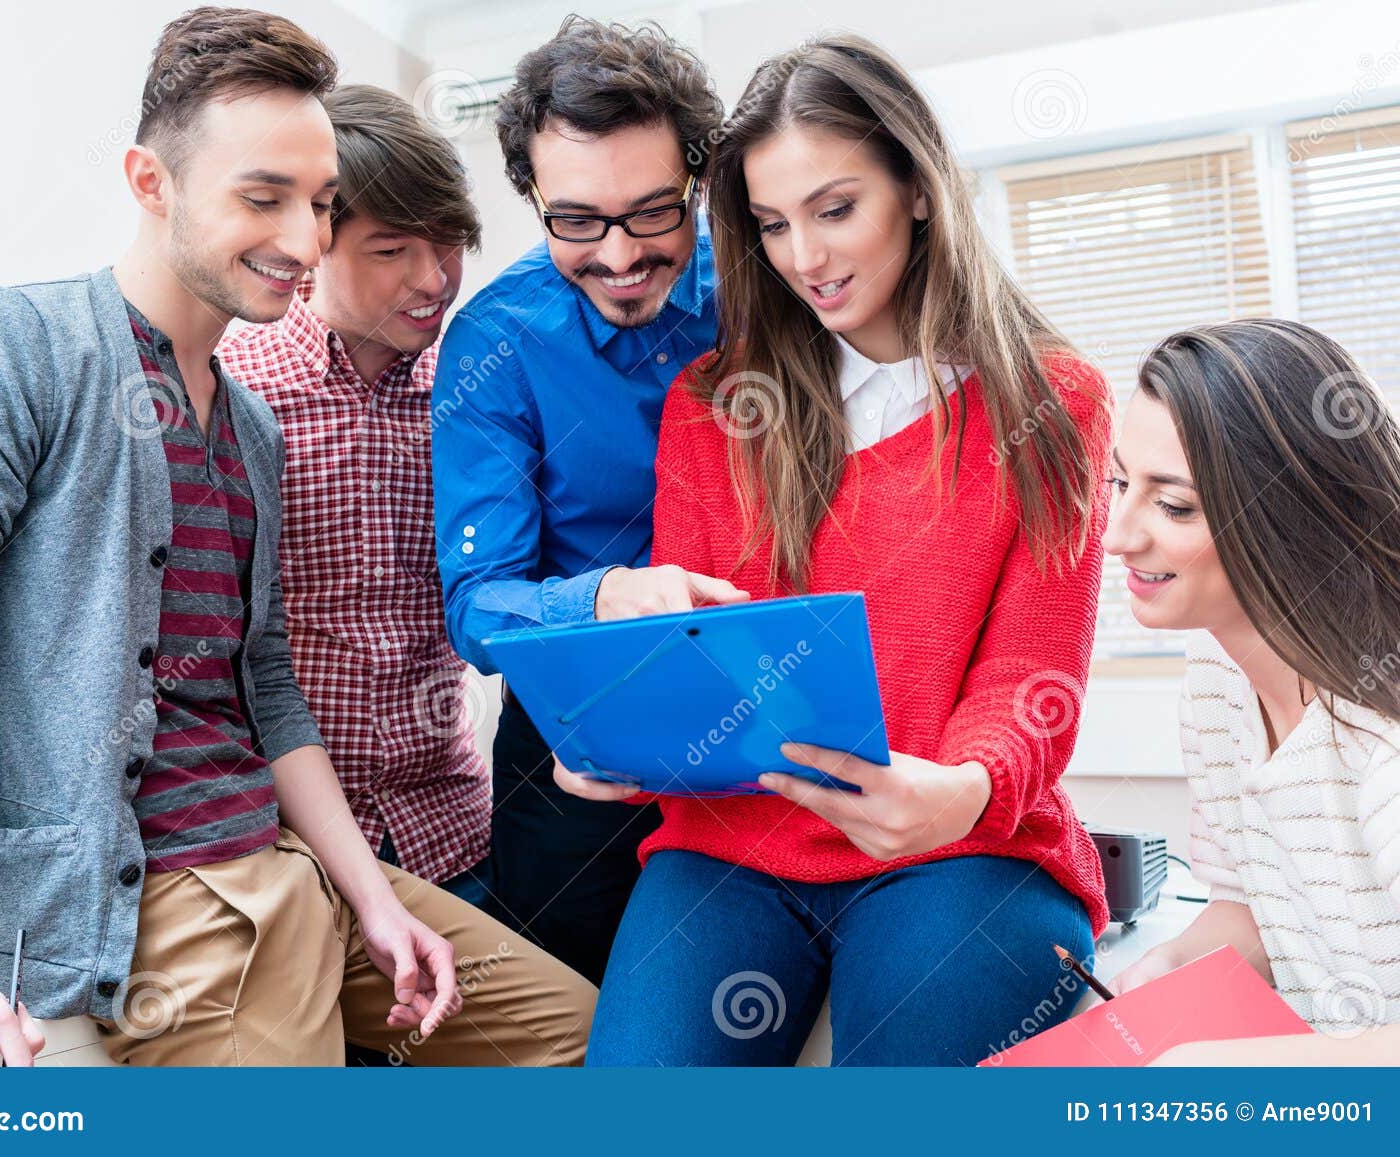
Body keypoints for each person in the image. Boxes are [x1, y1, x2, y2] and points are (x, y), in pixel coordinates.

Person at [0, 6, 592, 1067]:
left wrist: (375, 900)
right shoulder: (18, 350)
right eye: (262, 198)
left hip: (294, 867)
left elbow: (267, 687)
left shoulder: (247, 428)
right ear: (151, 182)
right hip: (169, 906)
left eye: (321, 204)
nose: (301, 239)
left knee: (578, 1039)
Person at [558, 34, 1114, 1066]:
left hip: (961, 846)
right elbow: (701, 648)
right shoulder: (712, 407)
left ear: (914, 187)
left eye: (834, 208)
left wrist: (967, 788)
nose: (803, 257)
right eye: (770, 225)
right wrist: (629, 741)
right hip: (732, 847)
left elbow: (1032, 671)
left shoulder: (1051, 401)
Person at [431, 16, 744, 984]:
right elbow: (478, 603)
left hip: (766, 688)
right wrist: (602, 598)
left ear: (698, 182)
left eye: (652, 212)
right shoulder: (495, 343)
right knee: (574, 1016)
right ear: (530, 197)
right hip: (572, 728)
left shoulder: (770, 291)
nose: (617, 254)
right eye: (575, 220)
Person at [217, 85, 492, 907]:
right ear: (314, 241)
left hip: (450, 828)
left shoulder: (471, 399)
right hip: (280, 846)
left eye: (448, 245)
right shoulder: (233, 390)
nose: (432, 278)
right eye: (391, 250)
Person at [1102, 319, 1400, 1064]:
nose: (1117, 533)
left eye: (1173, 506)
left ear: (1284, 516)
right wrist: (1171, 967)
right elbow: (1254, 907)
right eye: (1119, 482)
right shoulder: (1215, 684)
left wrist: (1248, 1069)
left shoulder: (1380, 744)